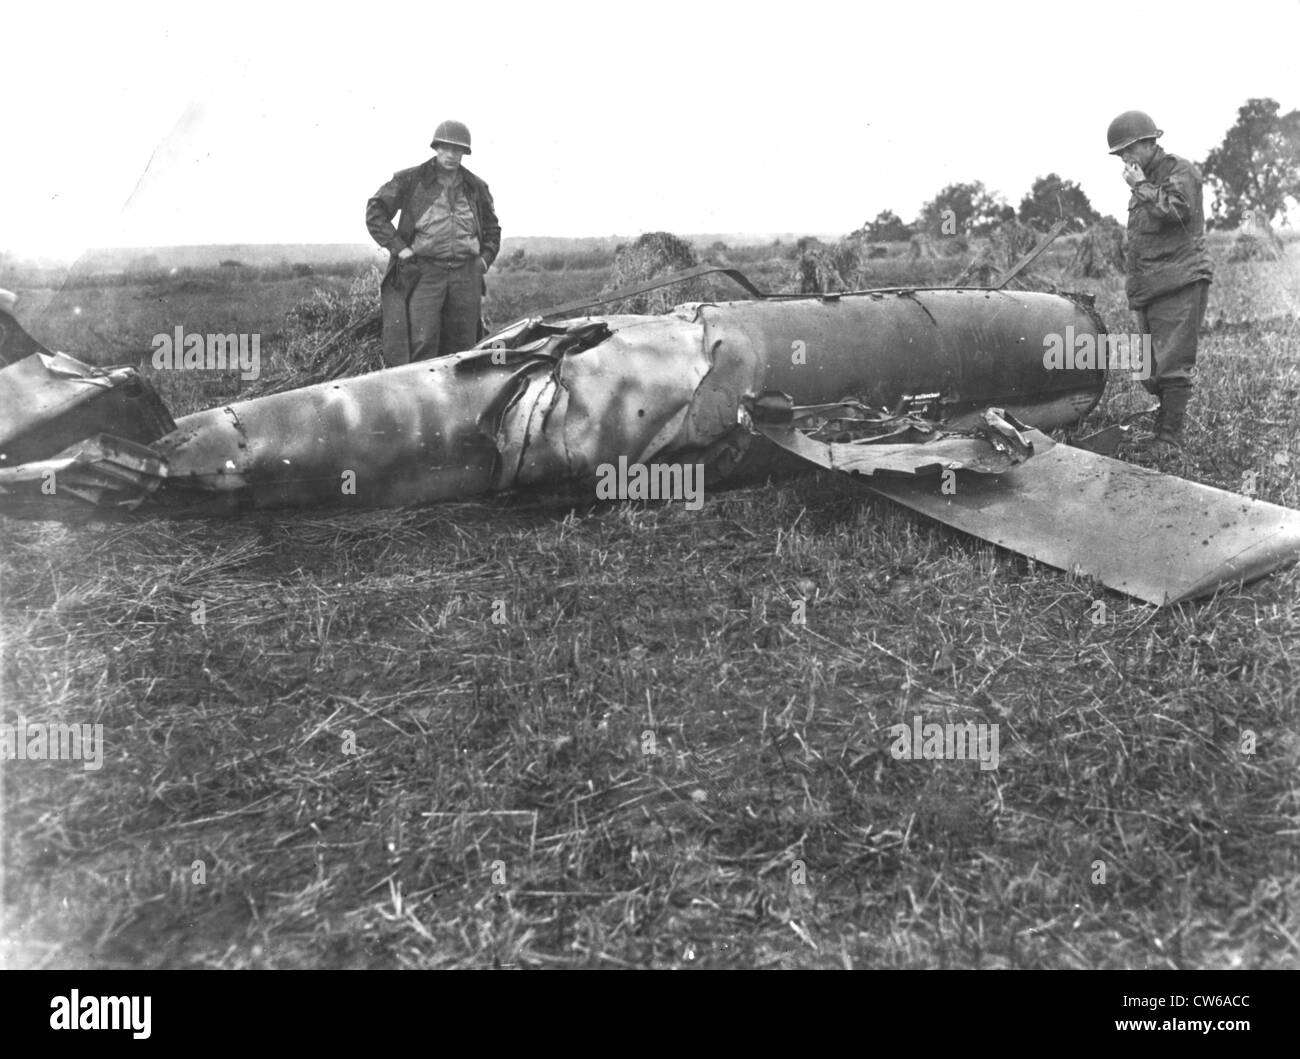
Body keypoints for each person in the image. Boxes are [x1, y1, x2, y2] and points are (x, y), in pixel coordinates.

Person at [1106, 110, 1213, 453]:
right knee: (1147, 369)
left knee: (1171, 365)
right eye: (1119, 153)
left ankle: (1168, 440)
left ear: (1150, 143)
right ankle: (1163, 425)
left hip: (1179, 281)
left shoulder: (1179, 171)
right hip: (1151, 286)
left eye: (1129, 150)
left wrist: (1141, 187)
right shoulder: (1147, 180)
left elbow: (1177, 213)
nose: (1124, 158)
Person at [366, 120, 501, 365]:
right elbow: (375, 213)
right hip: (425, 273)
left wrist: (483, 261)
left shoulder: (475, 187)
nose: (451, 155)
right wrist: (401, 249)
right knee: (422, 342)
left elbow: (493, 229)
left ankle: (460, 401)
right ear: (436, 148)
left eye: (457, 150)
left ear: (464, 153)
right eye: (445, 148)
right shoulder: (411, 180)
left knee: (465, 345)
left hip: (465, 274)